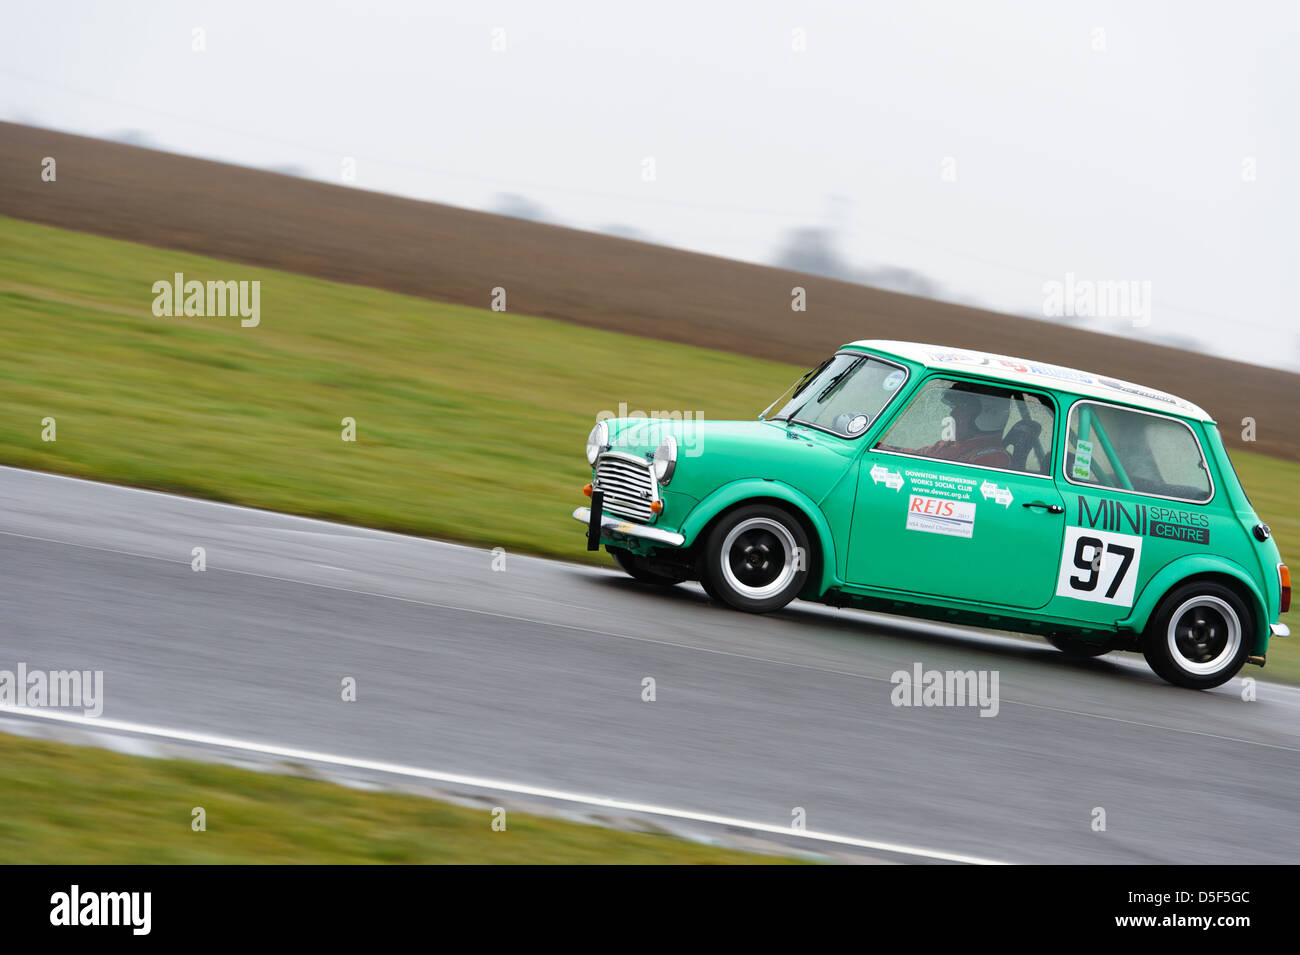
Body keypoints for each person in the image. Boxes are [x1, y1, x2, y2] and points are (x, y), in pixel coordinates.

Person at [912, 383, 1012, 469]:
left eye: (962, 407)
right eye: (955, 406)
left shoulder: (993, 458)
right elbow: (916, 455)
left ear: (987, 414)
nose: (953, 413)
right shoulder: (951, 445)